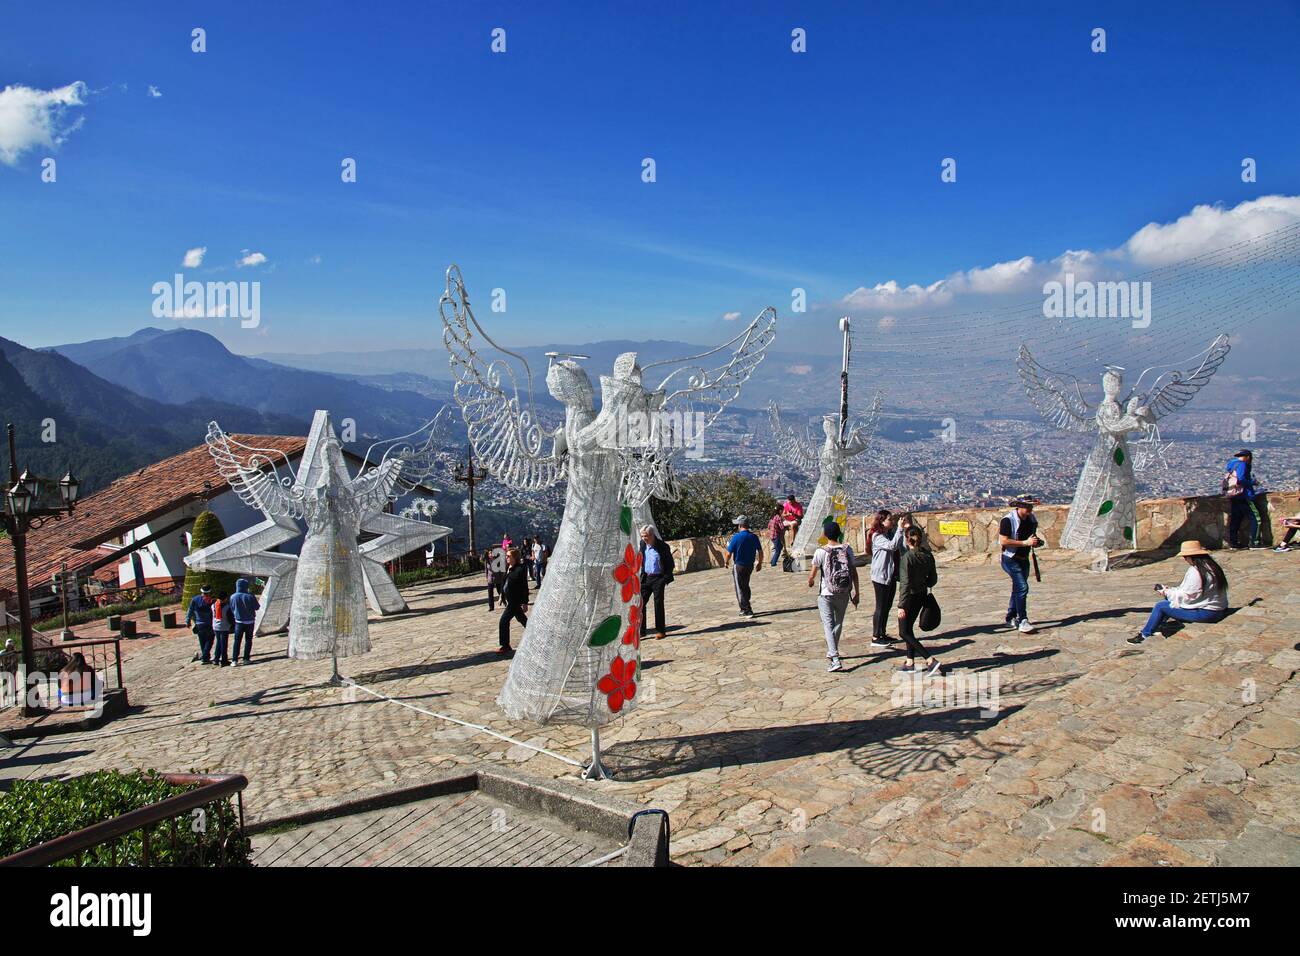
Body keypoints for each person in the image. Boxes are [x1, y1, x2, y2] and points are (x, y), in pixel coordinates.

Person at [1128, 540, 1228, 644]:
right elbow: (1192, 592)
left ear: (1191, 556)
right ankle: (1159, 623)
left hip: (1208, 613)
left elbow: (1186, 596)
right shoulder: (1212, 566)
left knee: (1160, 606)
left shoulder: (1196, 572)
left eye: (1185, 557)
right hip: (1219, 609)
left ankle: (1144, 634)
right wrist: (1169, 590)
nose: (1185, 559)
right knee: (1169, 598)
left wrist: (1166, 592)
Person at [807, 520, 859, 672]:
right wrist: (857, 592)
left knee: (828, 625)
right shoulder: (847, 550)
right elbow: (853, 572)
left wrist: (810, 581)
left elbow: (812, 575)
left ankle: (835, 658)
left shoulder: (820, 552)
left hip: (826, 593)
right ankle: (832, 650)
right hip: (844, 591)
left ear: (825, 534)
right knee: (838, 623)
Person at [897, 522, 944, 675]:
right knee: (909, 629)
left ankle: (930, 659)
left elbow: (905, 583)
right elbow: (933, 579)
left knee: (904, 632)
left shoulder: (907, 558)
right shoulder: (928, 555)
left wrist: (901, 606)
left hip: (909, 597)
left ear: (906, 539)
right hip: (921, 594)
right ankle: (910, 661)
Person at [998, 497, 1041, 634]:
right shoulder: (1008, 520)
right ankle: (1022, 619)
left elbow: (1031, 537)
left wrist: (1035, 542)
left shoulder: (1031, 520)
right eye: (1027, 507)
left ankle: (1010, 617)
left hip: (1024, 558)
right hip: (1010, 559)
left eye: (1031, 507)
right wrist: (1024, 543)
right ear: (1020, 506)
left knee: (1018, 589)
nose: (1030, 510)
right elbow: (1003, 541)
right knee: (1022, 587)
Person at [868, 510, 904, 647]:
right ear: (882, 521)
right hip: (880, 576)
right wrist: (900, 529)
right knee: (880, 606)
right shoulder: (878, 537)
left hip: (889, 574)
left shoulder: (887, 535)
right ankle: (875, 636)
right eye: (889, 519)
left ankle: (882, 632)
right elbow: (892, 546)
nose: (892, 522)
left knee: (887, 606)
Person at [638, 524, 675, 640]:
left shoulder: (663, 547)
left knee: (658, 603)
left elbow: (670, 563)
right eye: (642, 536)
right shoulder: (643, 544)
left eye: (646, 536)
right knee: (640, 603)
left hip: (658, 578)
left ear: (652, 535)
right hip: (646, 577)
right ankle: (641, 630)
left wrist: (665, 579)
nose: (644, 538)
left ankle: (660, 630)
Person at [725, 515, 763, 617]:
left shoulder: (736, 537)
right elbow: (760, 551)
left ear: (740, 525)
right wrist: (760, 563)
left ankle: (747, 609)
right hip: (749, 565)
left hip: (739, 565)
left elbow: (728, 553)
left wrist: (726, 562)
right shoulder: (753, 537)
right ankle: (743, 608)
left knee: (740, 588)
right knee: (745, 586)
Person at [1224, 450, 1261, 549]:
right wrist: (1253, 482)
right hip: (1245, 496)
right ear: (1248, 457)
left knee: (1236, 519)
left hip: (1234, 495)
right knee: (1256, 518)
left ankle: (1233, 543)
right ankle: (1254, 542)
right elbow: (1241, 479)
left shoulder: (1232, 464)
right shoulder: (1242, 465)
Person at [498, 547, 529, 655]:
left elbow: (524, 586)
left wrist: (525, 602)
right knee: (523, 620)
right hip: (509, 599)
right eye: (506, 556)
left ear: (514, 557)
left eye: (508, 556)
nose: (506, 557)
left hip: (515, 600)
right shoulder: (508, 567)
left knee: (503, 621)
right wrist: (501, 596)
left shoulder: (520, 569)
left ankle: (505, 645)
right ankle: (537, 633)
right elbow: (504, 583)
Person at [229, 577, 260, 666]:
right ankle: (246, 658)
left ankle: (234, 660)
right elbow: (257, 607)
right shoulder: (250, 596)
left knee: (237, 641)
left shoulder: (233, 596)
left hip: (239, 622)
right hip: (250, 622)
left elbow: (232, 608)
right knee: (248, 640)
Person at [185, 585, 215, 664]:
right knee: (210, 640)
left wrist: (187, 620)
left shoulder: (195, 599)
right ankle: (205, 657)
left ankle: (206, 657)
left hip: (199, 624)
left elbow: (190, 610)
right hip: (209, 624)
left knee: (202, 641)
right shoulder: (211, 600)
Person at [211, 590, 233, 667]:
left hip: (215, 626)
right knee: (224, 644)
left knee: (218, 643)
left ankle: (216, 659)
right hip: (224, 627)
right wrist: (232, 625)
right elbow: (230, 618)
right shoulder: (227, 607)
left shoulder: (213, 605)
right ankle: (224, 660)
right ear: (225, 598)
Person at [485, 546, 506, 611]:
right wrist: (486, 577)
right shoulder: (487, 561)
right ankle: (491, 606)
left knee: (500, 591)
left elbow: (501, 570)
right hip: (490, 578)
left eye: (491, 553)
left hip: (497, 578)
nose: (490, 554)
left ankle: (505, 602)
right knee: (490, 593)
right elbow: (486, 569)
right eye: (489, 553)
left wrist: (502, 577)